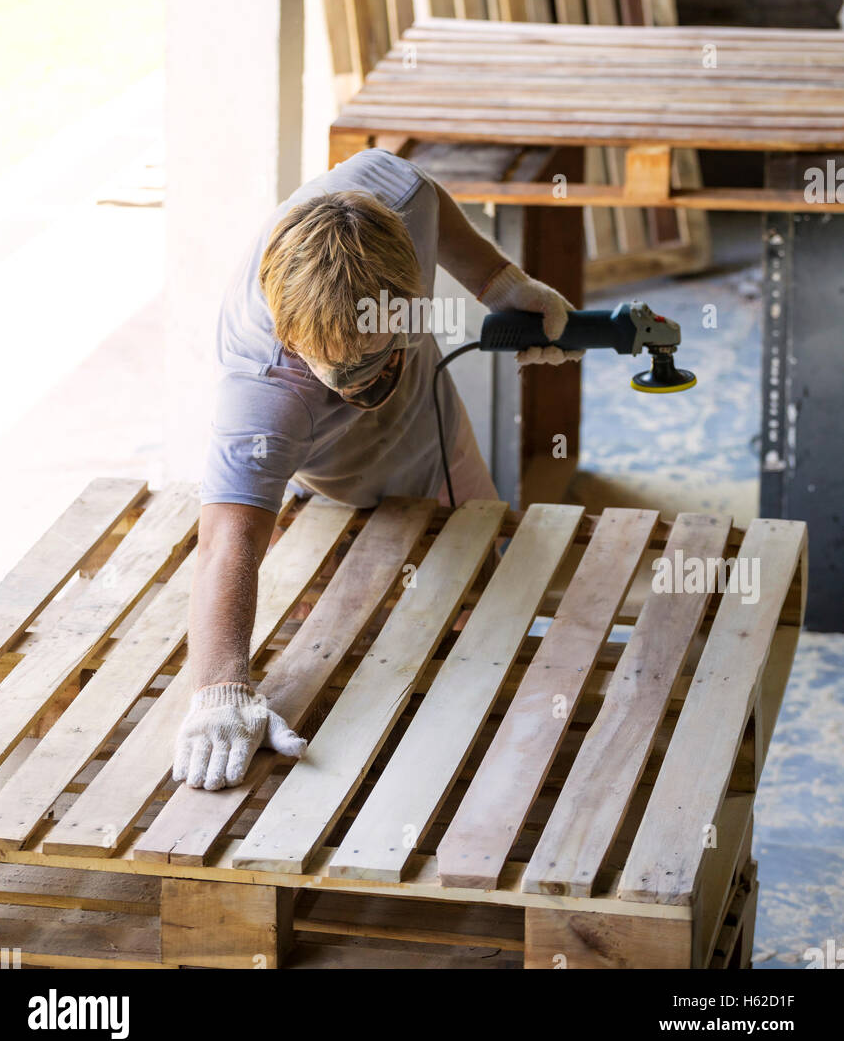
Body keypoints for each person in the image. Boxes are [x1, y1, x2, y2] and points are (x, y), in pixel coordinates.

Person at [173, 148, 581, 790]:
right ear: (295, 337)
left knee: (487, 579)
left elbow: (429, 196)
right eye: (349, 368)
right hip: (332, 469)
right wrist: (222, 690)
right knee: (354, 624)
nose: (374, 376)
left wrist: (500, 283)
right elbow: (228, 544)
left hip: (431, 426)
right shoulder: (264, 396)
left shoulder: (389, 205)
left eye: (380, 353)